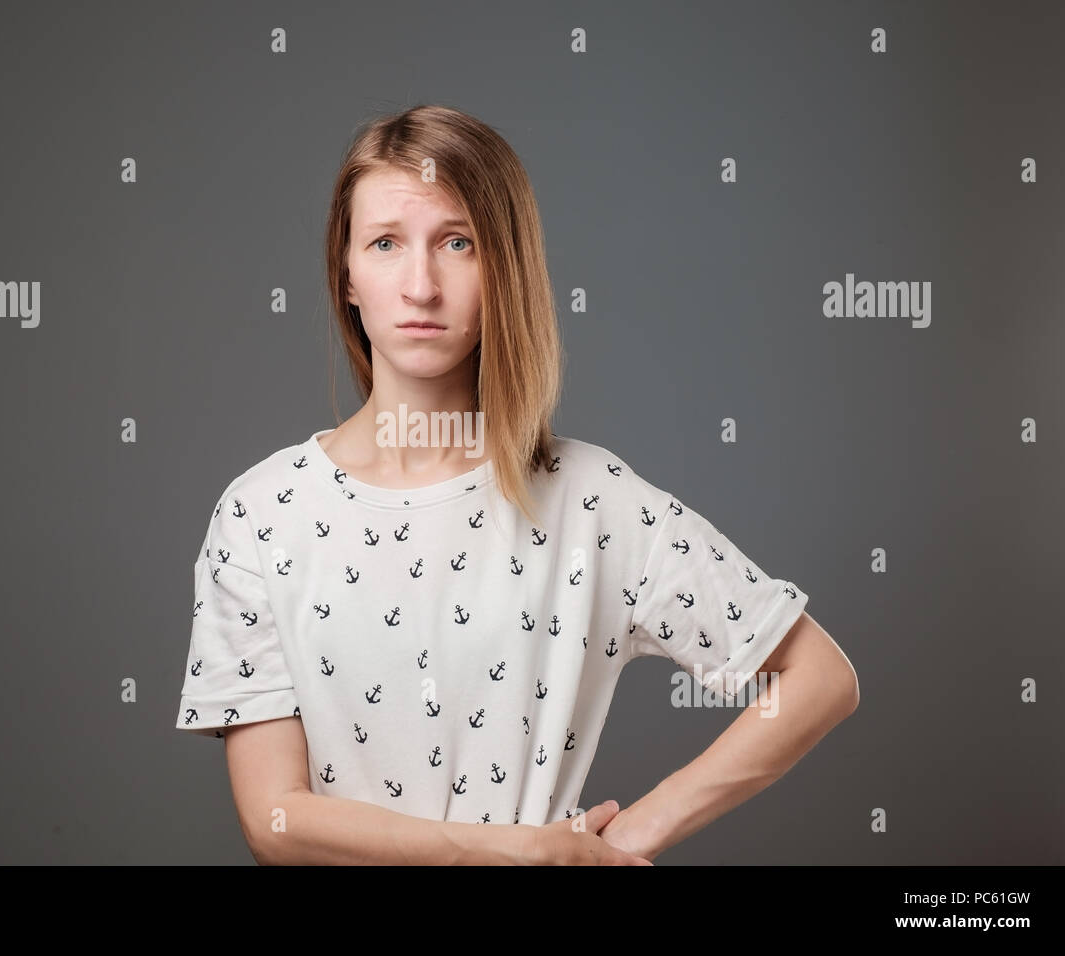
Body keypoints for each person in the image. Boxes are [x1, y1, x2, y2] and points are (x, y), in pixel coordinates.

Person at [175, 105, 859, 865]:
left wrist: (634, 834)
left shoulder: (591, 500)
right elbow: (275, 820)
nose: (421, 285)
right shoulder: (262, 514)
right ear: (347, 276)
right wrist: (521, 853)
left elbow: (821, 679)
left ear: (506, 266)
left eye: (457, 243)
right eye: (385, 244)